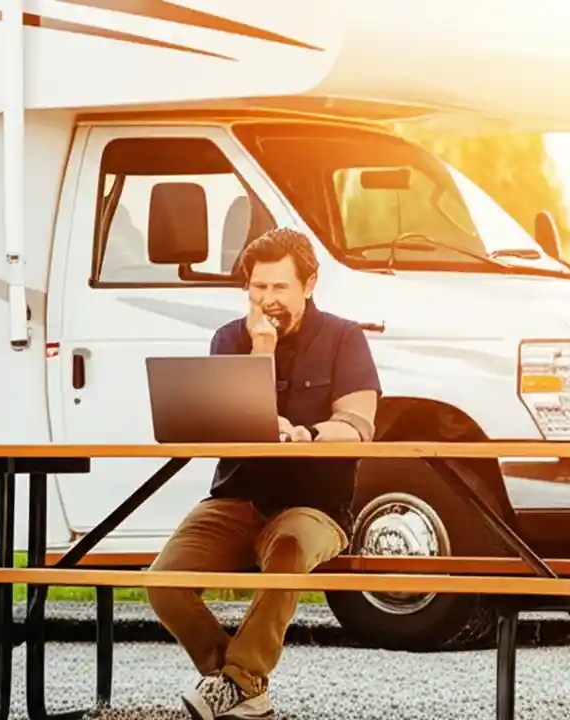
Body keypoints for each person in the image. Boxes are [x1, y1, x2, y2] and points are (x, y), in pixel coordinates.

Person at [146, 227, 382, 720]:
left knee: (289, 552)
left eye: (279, 288)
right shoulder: (230, 338)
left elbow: (359, 426)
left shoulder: (345, 338)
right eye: (257, 287)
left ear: (309, 284)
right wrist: (263, 348)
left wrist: (306, 436)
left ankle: (234, 682)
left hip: (315, 507)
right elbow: (224, 428)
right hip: (237, 498)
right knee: (163, 582)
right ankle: (239, 686)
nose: (266, 299)